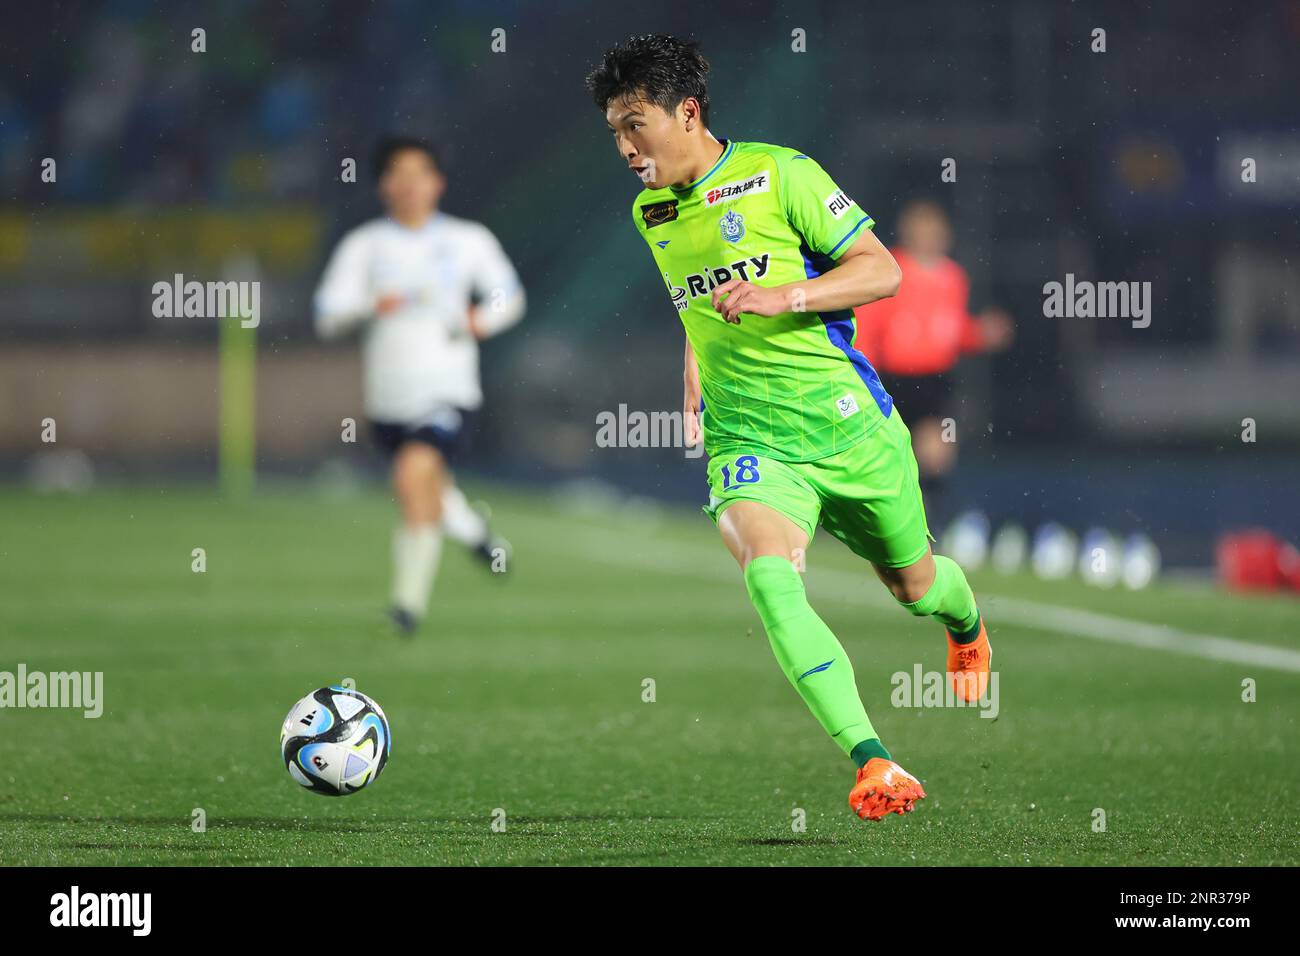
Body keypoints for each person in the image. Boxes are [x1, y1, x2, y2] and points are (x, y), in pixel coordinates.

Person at [586, 34, 992, 821]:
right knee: (770, 575)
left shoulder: (782, 174)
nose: (627, 148)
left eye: (636, 124)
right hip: (750, 443)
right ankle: (872, 760)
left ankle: (966, 621)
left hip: (851, 430)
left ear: (688, 111)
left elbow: (884, 270)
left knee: (915, 587)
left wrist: (788, 296)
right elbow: (698, 295)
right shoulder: (651, 211)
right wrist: (696, 359)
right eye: (614, 133)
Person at [314, 136, 523, 635]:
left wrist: (481, 320)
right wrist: (368, 307)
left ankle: (406, 608)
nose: (408, 185)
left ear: (438, 183)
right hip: (388, 398)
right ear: (384, 185)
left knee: (412, 478)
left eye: (419, 174)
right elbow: (326, 316)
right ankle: (477, 536)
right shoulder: (364, 246)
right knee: (427, 484)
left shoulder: (468, 240)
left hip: (448, 391)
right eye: (397, 175)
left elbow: (508, 296)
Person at [852, 199, 1013, 524]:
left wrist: (981, 334)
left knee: (937, 453)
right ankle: (885, 519)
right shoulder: (892, 267)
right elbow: (869, 322)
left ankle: (929, 521)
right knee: (891, 455)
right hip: (893, 377)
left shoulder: (953, 277)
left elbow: (952, 329)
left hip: (935, 379)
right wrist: (862, 370)